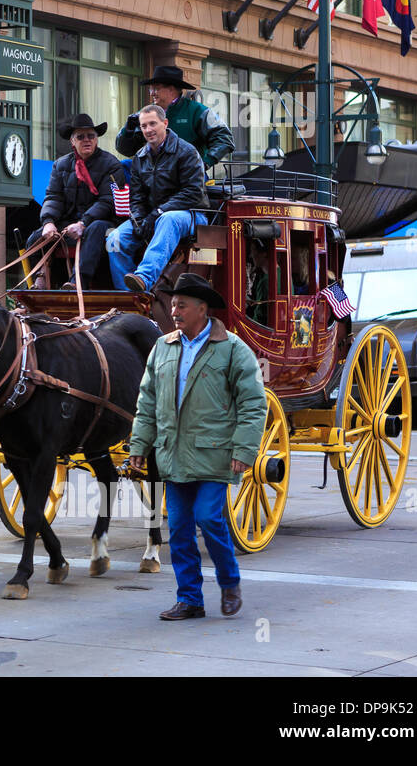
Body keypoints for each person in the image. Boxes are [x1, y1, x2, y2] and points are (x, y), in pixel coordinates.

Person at [125, 273, 266, 620]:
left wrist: (244, 450)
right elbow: (148, 401)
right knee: (180, 531)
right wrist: (140, 446)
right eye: (173, 304)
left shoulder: (233, 349)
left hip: (215, 453)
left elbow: (253, 404)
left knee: (208, 518)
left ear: (202, 309)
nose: (174, 310)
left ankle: (229, 581)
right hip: (172, 454)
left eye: (181, 305)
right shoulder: (163, 347)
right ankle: (190, 599)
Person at [106, 104, 210, 292]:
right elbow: (136, 197)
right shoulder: (140, 157)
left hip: (191, 214)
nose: (148, 130)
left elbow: (193, 193)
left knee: (168, 219)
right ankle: (129, 299)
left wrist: (158, 212)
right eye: (144, 126)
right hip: (154, 215)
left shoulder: (187, 151)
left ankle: (144, 279)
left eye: (152, 124)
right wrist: (138, 218)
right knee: (114, 238)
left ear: (165, 123)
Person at [25, 114, 126, 289]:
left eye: (91, 136)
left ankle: (78, 283)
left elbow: (108, 202)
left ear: (96, 139)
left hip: (103, 224)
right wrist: (48, 222)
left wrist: (83, 223)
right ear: (72, 142)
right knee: (35, 238)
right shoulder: (60, 165)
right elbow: (53, 197)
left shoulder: (111, 164)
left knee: (96, 228)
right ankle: (40, 283)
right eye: (81, 137)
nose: (86, 140)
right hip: (68, 224)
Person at [115, 65, 234, 168]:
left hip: (188, 177)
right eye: (151, 89)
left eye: (156, 88)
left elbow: (225, 139)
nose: (151, 93)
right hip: (152, 178)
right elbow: (124, 150)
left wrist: (204, 163)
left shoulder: (198, 111)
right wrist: (128, 130)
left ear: (171, 90)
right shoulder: (145, 114)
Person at [245, 238, 272, 325]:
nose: (251, 256)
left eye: (253, 251)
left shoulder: (265, 281)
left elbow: (259, 317)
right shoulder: (282, 274)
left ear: (264, 253)